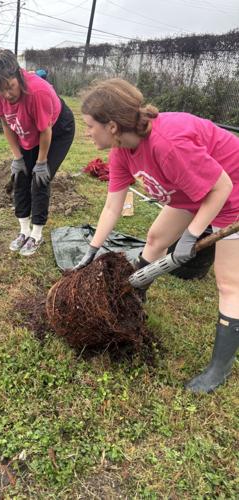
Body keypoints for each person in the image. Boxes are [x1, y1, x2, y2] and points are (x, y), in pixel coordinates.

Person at [76, 78, 239, 394]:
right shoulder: (123, 149)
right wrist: (93, 247)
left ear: (111, 126)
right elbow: (113, 207)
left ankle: (218, 369)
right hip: (194, 188)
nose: (87, 132)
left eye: (89, 125)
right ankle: (131, 306)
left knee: (229, 282)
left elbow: (221, 188)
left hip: (231, 190)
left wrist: (191, 236)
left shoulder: (168, 143)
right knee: (154, 239)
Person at [0, 50, 75, 256]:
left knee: (39, 179)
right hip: (28, 129)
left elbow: (45, 130)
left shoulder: (37, 92)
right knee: (20, 176)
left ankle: (36, 233)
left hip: (57, 129)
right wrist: (17, 157)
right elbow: (6, 124)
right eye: (1, 91)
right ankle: (24, 230)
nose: (7, 95)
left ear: (18, 74)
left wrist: (42, 162)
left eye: (11, 87)